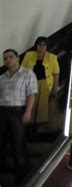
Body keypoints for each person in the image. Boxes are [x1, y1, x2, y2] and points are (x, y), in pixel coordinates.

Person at [0, 49, 37, 181]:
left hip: (18, 111)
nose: (8, 60)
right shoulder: (2, 77)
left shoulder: (28, 74)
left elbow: (31, 95)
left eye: (10, 57)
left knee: (18, 143)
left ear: (17, 58)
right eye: (5, 58)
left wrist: (28, 111)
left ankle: (21, 176)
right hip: (2, 112)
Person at [21, 37, 60, 127]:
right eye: (39, 44)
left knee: (42, 109)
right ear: (36, 45)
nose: (41, 47)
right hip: (31, 85)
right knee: (30, 107)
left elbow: (56, 73)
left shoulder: (52, 57)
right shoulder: (29, 55)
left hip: (44, 85)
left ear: (47, 46)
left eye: (44, 45)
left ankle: (38, 129)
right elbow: (22, 70)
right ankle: (29, 126)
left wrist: (55, 89)